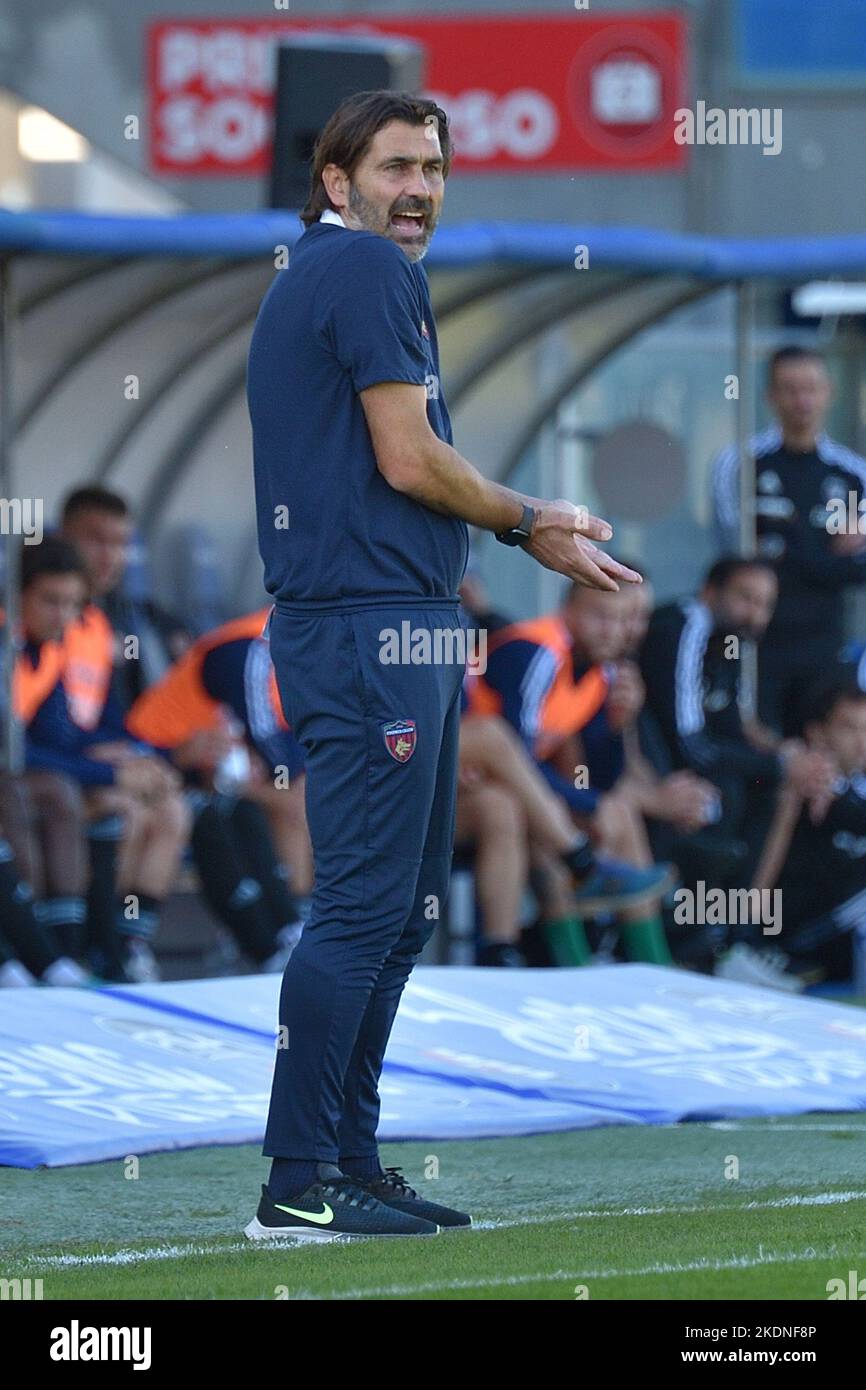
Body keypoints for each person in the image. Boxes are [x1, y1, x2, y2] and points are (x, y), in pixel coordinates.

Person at [245, 89, 642, 1242]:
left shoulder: (333, 275)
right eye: (395, 166)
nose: (417, 188)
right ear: (335, 181)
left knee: (401, 911)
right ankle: (295, 1178)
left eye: (433, 169)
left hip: (394, 622)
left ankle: (348, 1161)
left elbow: (401, 463)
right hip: (366, 625)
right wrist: (532, 518)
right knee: (366, 903)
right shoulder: (366, 272)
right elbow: (410, 458)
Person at [640, 556, 837, 989]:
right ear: (711, 591)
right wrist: (781, 762)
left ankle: (735, 940)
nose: (756, 614)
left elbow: (736, 725)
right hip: (650, 776)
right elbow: (691, 743)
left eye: (765, 604)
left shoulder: (734, 642)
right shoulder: (687, 625)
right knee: (731, 794)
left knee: (780, 790)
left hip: (698, 775)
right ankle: (698, 942)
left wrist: (797, 759)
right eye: (746, 598)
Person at [712, 345, 866, 736]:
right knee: (758, 745)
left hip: (825, 640)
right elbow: (738, 559)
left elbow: (855, 570)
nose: (803, 400)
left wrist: (783, 548)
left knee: (819, 751)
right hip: (756, 641)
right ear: (770, 395)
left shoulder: (852, 474)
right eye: (790, 389)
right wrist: (823, 555)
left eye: (811, 388)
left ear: (828, 392)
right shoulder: (741, 464)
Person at [754, 676, 866, 984]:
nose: (861, 741)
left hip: (837, 928)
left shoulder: (850, 787)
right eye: (849, 728)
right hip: (795, 929)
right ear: (817, 733)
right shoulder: (810, 779)